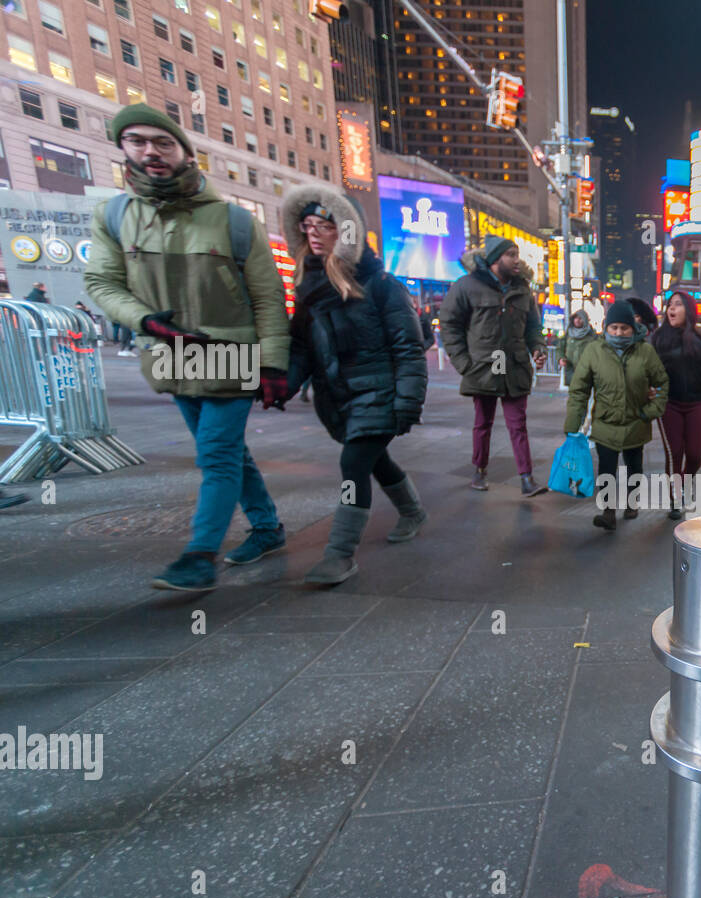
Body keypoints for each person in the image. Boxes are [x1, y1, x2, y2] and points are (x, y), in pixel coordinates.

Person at [84, 103, 291, 591]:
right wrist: (144, 321)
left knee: (216, 455)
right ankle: (267, 529)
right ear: (123, 149)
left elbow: (268, 299)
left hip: (230, 350)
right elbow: (101, 282)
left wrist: (274, 366)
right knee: (228, 452)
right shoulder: (115, 216)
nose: (151, 152)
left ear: (184, 152)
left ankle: (199, 555)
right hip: (169, 352)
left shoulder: (234, 221)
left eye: (163, 143)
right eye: (137, 141)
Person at [281, 185, 428, 585]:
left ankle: (340, 553)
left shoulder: (380, 284)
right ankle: (413, 510)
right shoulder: (308, 288)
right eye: (307, 226)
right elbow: (301, 348)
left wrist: (407, 403)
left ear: (345, 231)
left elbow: (409, 347)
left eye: (324, 225)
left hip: (378, 394)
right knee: (373, 459)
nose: (314, 233)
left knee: (354, 465)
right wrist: (282, 385)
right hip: (339, 399)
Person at [440, 235, 547, 497]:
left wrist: (538, 348)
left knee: (518, 424)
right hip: (484, 367)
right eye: (511, 254)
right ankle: (479, 470)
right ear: (495, 258)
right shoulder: (466, 286)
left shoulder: (523, 289)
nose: (516, 260)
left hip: (514, 367)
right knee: (483, 422)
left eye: (516, 253)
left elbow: (533, 326)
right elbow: (449, 324)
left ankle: (526, 478)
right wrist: (464, 363)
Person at [565, 300, 669, 532]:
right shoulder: (594, 350)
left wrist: (650, 412)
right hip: (605, 423)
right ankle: (608, 512)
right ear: (606, 327)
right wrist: (573, 423)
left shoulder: (645, 351)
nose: (619, 332)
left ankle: (632, 503)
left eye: (624, 328)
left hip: (636, 422)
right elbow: (579, 389)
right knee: (606, 469)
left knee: (635, 467)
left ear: (633, 328)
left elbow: (662, 383)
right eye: (614, 328)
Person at [650, 290, 701, 520]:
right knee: (674, 453)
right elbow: (647, 369)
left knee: (695, 455)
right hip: (668, 404)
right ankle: (675, 499)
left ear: (689, 310)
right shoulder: (658, 338)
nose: (671, 309)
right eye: (669, 305)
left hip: (696, 403)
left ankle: (684, 482)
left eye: (677, 305)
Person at [561, 310, 594, 389]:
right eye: (575, 318)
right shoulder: (568, 333)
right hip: (570, 371)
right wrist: (561, 358)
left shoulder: (591, 336)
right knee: (573, 395)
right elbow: (560, 347)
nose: (577, 320)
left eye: (580, 318)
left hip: (585, 372)